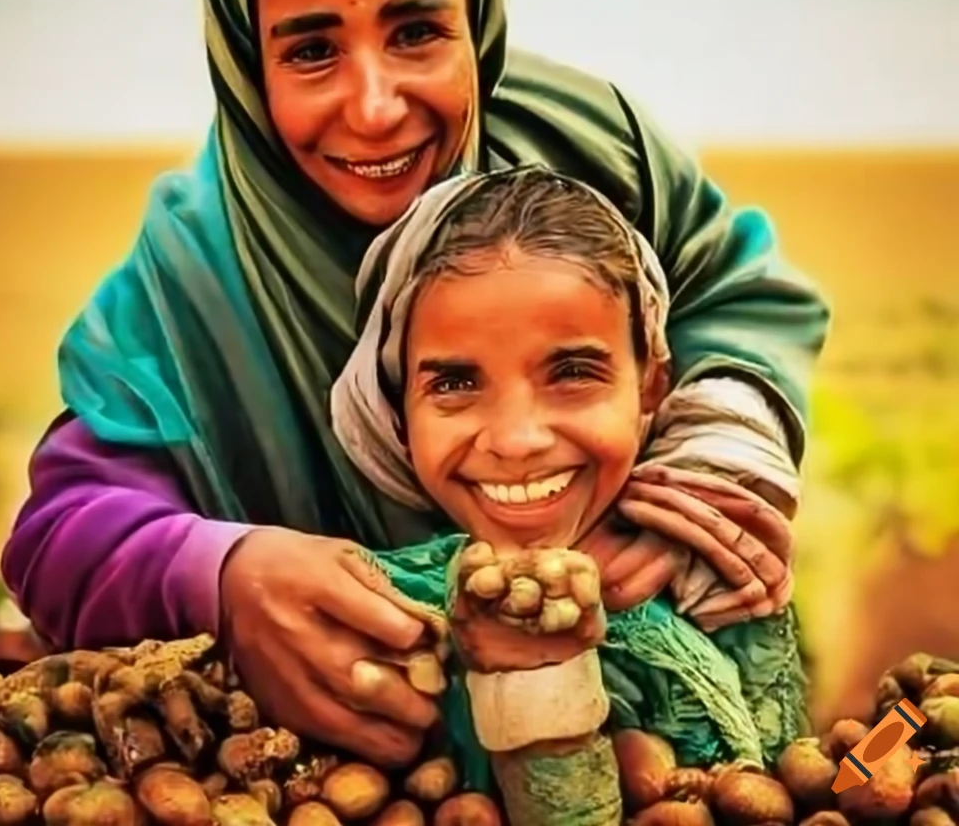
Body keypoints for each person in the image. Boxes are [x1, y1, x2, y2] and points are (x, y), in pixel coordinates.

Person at [1, 0, 827, 767]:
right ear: (244, 63)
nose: (376, 105)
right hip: (343, 766)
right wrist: (222, 574)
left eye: (418, 32)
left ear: (480, 24)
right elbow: (63, 531)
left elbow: (740, 292)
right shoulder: (192, 274)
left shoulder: (596, 151)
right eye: (311, 51)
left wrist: (707, 462)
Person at [329, 164, 805, 805]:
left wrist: (912, 727)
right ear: (395, 414)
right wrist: (531, 682)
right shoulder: (386, 623)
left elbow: (808, 779)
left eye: (574, 372)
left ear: (650, 387)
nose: (517, 438)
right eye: (455, 384)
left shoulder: (711, 576)